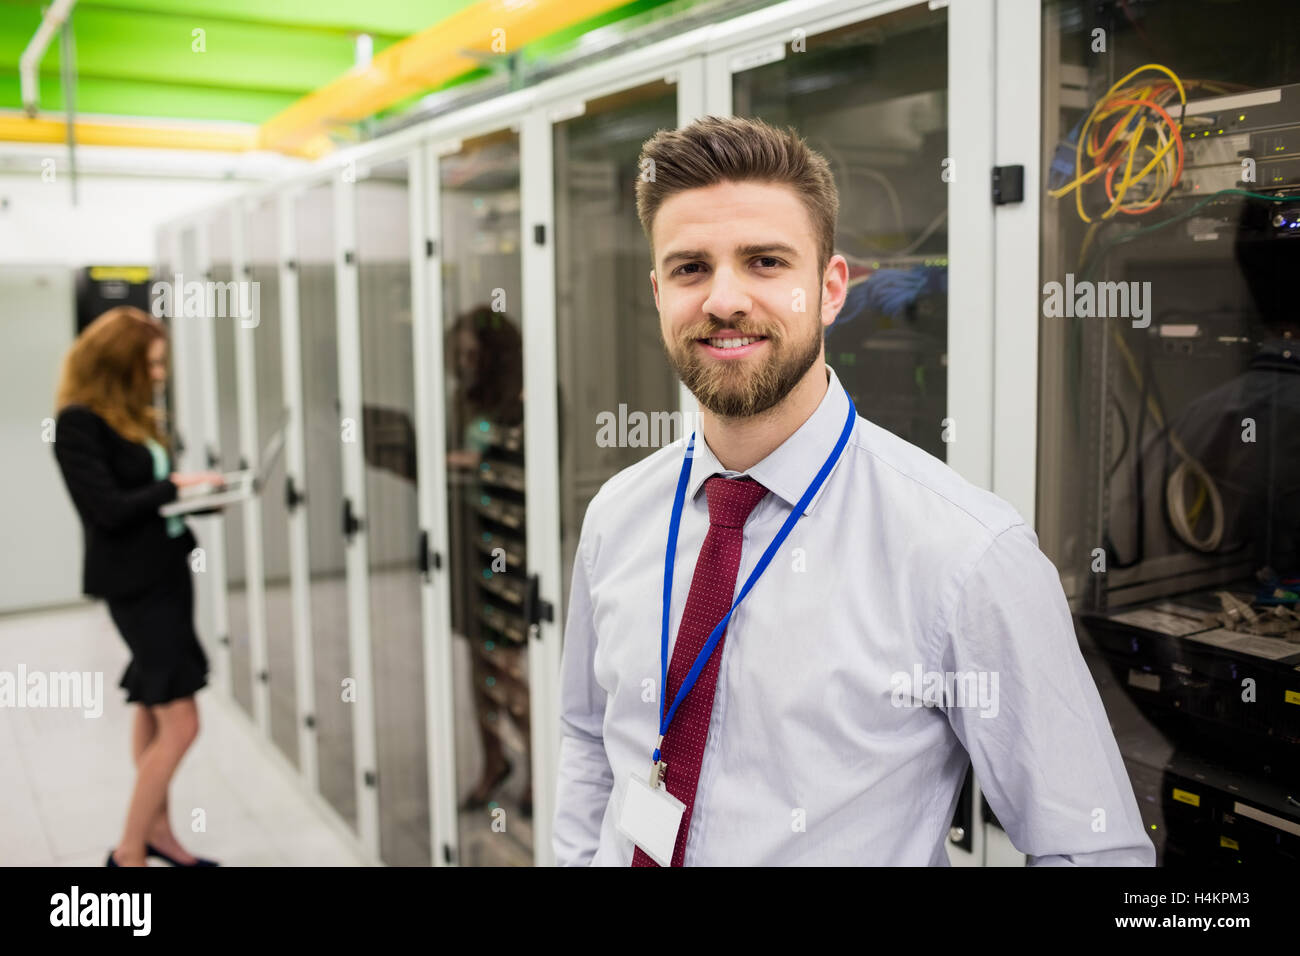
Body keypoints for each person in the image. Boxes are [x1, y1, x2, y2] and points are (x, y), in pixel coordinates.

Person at [553, 115, 1155, 866]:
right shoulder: (618, 515)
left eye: (766, 261)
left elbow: (1092, 849)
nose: (725, 300)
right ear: (658, 293)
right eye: (690, 269)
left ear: (830, 288)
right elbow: (586, 735)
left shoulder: (965, 554)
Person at [52, 306, 224, 867]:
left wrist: (195, 496)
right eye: (150, 365)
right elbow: (106, 509)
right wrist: (173, 485)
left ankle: (160, 835)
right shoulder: (78, 423)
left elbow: (148, 496)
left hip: (166, 572)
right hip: (136, 584)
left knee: (154, 705)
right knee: (183, 721)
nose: (159, 375)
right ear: (117, 365)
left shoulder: (136, 417)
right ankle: (129, 853)